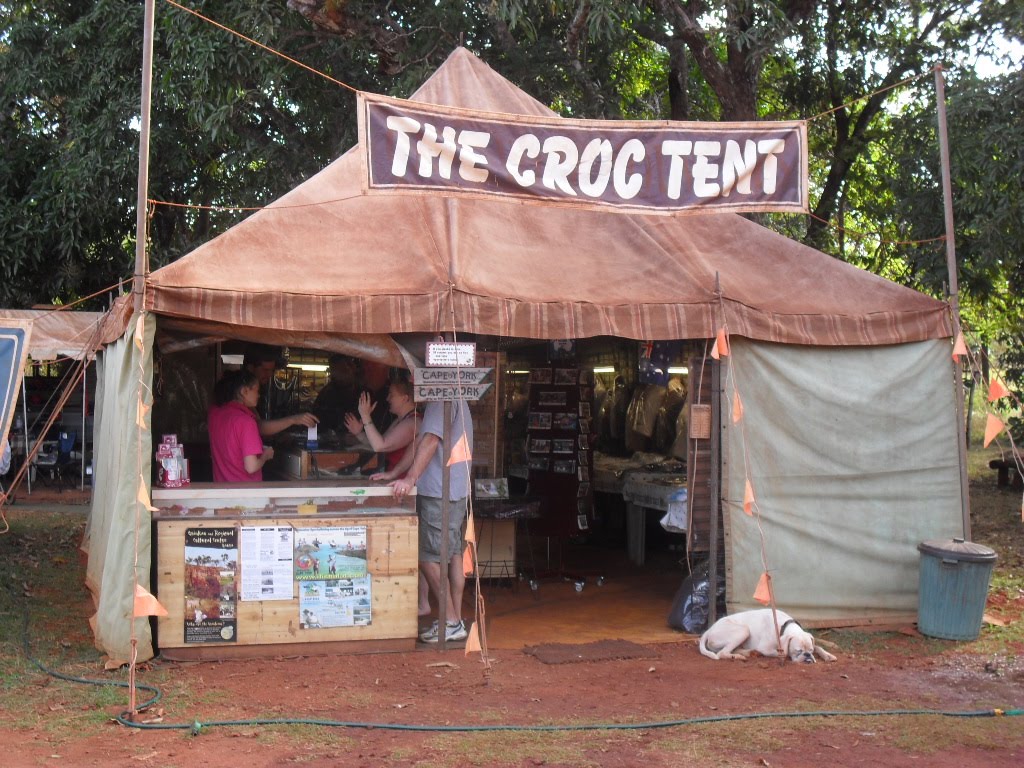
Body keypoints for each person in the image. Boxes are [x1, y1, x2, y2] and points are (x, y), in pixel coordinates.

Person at [376, 397, 473, 643]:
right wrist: (396, 472)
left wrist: (409, 479)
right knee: (452, 554)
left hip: (440, 491)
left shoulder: (441, 397)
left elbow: (430, 440)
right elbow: (421, 441)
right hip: (454, 489)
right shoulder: (453, 394)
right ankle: (453, 620)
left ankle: (451, 621)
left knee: (428, 557)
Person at [208, 370, 274, 482]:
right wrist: (265, 456)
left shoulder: (214, 414)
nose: (258, 395)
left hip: (220, 491)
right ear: (244, 391)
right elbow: (251, 467)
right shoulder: (246, 422)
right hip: (245, 493)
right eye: (257, 390)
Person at [343, 376, 418, 472]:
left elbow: (380, 446)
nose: (387, 399)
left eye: (391, 395)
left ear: (405, 398)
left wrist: (365, 416)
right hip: (392, 476)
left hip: (402, 482)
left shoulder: (412, 422)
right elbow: (377, 443)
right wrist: (359, 433)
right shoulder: (399, 421)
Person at [243, 345, 318, 437]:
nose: (269, 374)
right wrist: (293, 420)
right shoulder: (241, 396)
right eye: (265, 370)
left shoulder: (251, 396)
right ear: (250, 367)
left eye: (272, 370)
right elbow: (258, 427)